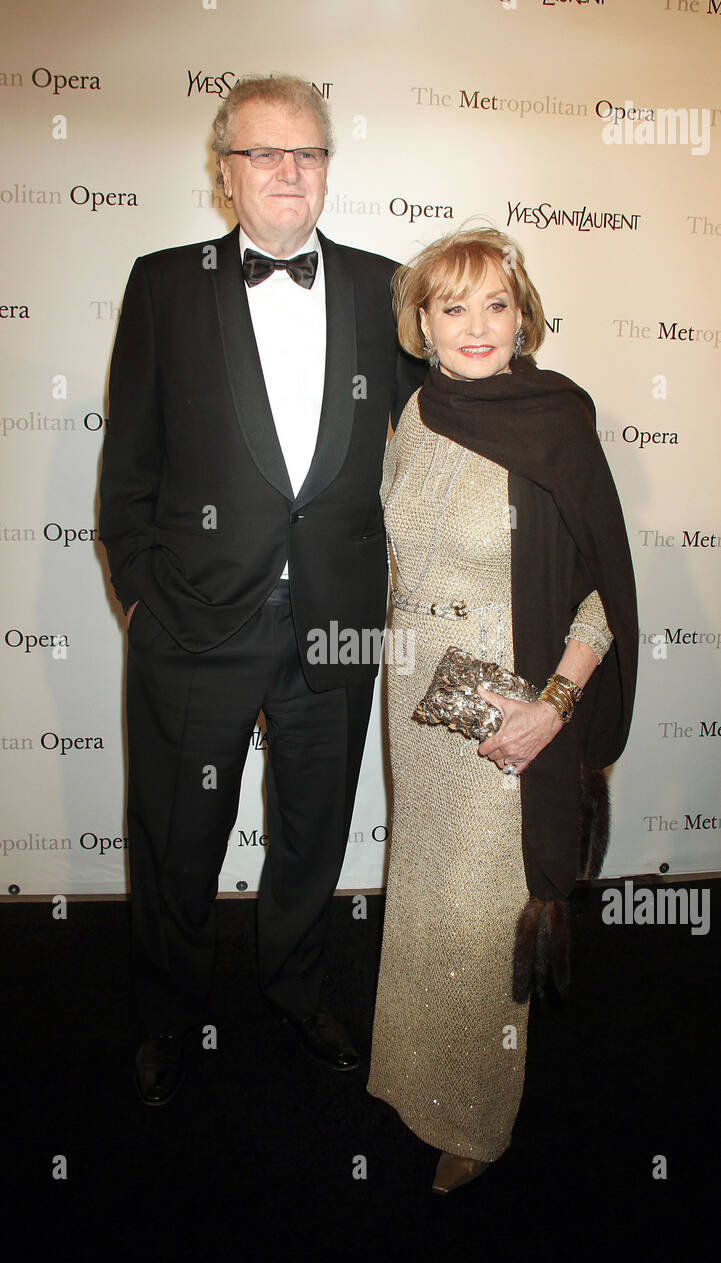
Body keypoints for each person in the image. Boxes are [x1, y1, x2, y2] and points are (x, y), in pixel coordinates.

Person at [98, 74, 424, 1106]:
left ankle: (295, 994)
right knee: (176, 836)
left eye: (309, 153)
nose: (289, 171)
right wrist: (143, 598)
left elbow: (448, 433)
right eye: (264, 153)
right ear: (224, 169)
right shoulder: (162, 283)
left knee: (313, 830)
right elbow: (130, 467)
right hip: (194, 620)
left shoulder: (387, 287)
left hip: (338, 621)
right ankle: (164, 1010)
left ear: (329, 166)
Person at [367, 227, 638, 1193]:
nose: (475, 327)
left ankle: (475, 1121)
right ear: (422, 324)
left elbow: (602, 588)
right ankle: (410, 1074)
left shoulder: (553, 421)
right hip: (415, 697)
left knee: (484, 919)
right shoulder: (412, 413)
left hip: (507, 704)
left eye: (495, 305)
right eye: (453, 307)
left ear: (522, 316)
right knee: (424, 900)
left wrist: (554, 707)